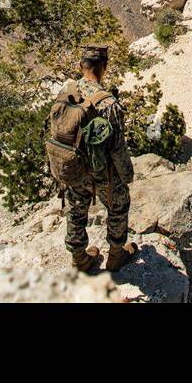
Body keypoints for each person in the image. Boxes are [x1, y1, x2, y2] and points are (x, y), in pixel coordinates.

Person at [51, 44, 136, 273]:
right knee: (118, 206)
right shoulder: (108, 104)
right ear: (104, 68)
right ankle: (116, 255)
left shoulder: (66, 93)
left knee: (76, 210)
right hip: (102, 173)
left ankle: (79, 259)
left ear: (81, 66)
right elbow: (117, 149)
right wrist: (127, 175)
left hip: (73, 168)